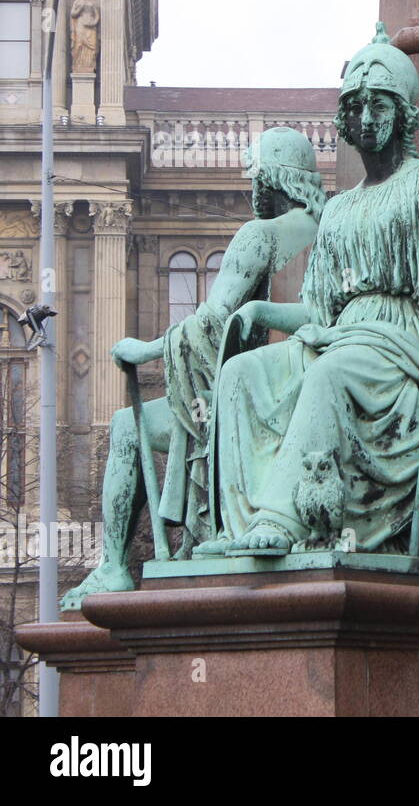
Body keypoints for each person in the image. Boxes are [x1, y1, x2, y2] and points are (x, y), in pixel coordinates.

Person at [200, 22, 419, 557]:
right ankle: (238, 529)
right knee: (240, 374)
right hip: (340, 333)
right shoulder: (337, 209)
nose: (367, 119)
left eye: (380, 105)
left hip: (399, 341)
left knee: (328, 374)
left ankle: (281, 519)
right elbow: (317, 307)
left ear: (403, 114)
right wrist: (258, 310)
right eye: (357, 108)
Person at [61, 128, 325, 608]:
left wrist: (143, 351)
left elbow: (212, 319)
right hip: (306, 386)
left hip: (250, 397)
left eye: (255, 177)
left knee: (125, 426)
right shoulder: (331, 230)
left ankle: (115, 568)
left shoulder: (259, 235)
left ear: (268, 179)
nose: (251, 189)